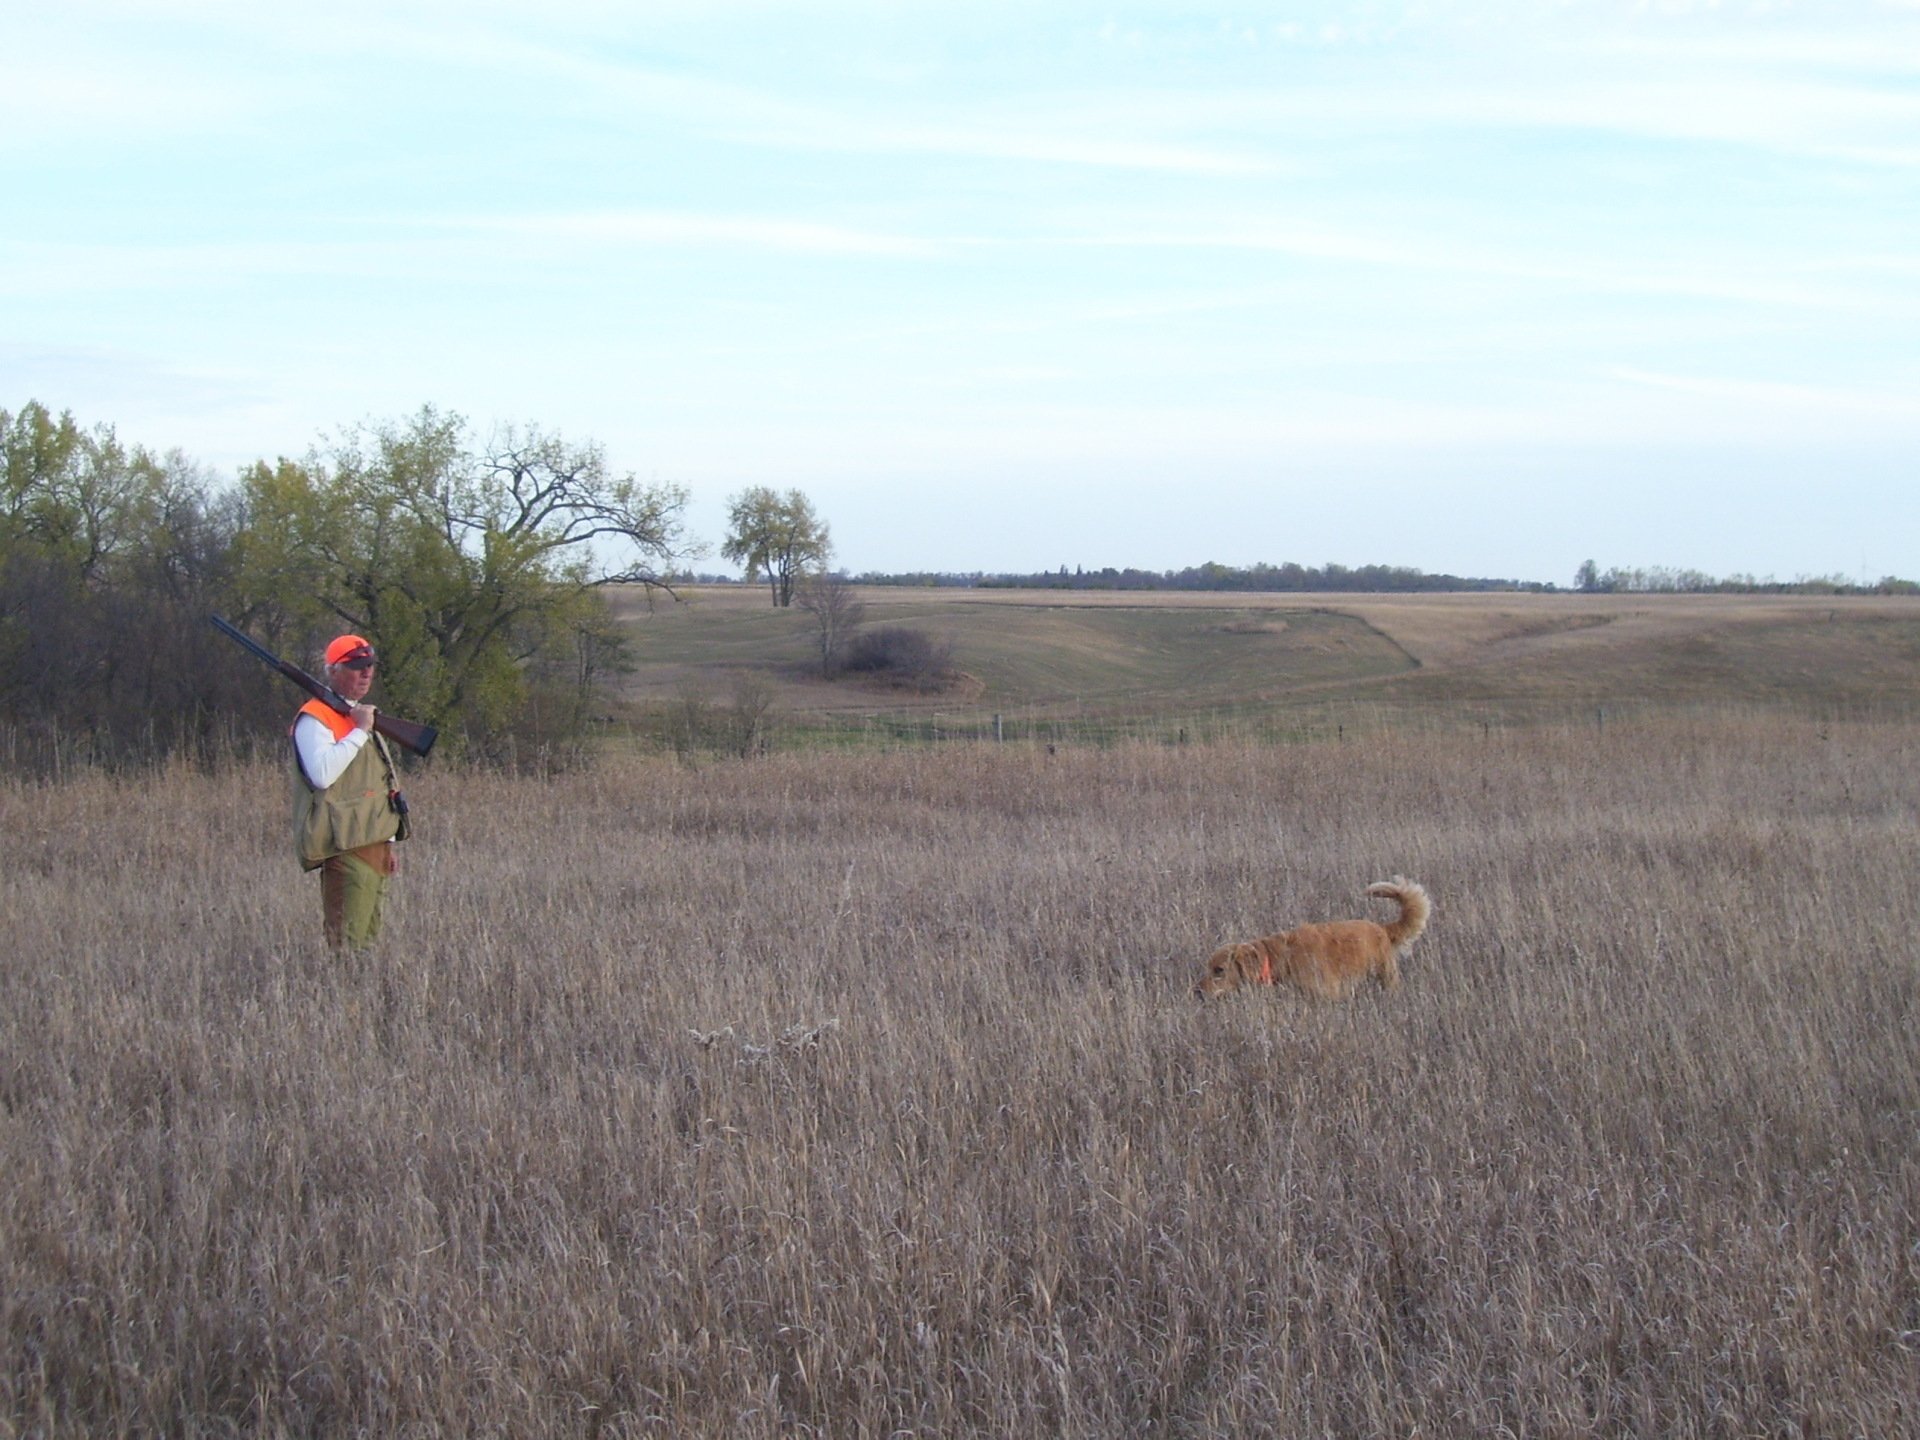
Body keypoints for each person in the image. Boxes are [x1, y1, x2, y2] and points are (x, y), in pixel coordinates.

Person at [291, 633, 410, 950]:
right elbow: (321, 776)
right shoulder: (316, 719)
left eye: (370, 665)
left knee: (369, 943)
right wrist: (359, 731)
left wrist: (388, 842)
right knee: (348, 947)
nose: (366, 672)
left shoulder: (360, 715)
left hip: (373, 845)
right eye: (357, 666)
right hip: (345, 847)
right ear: (332, 671)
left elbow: (371, 783)